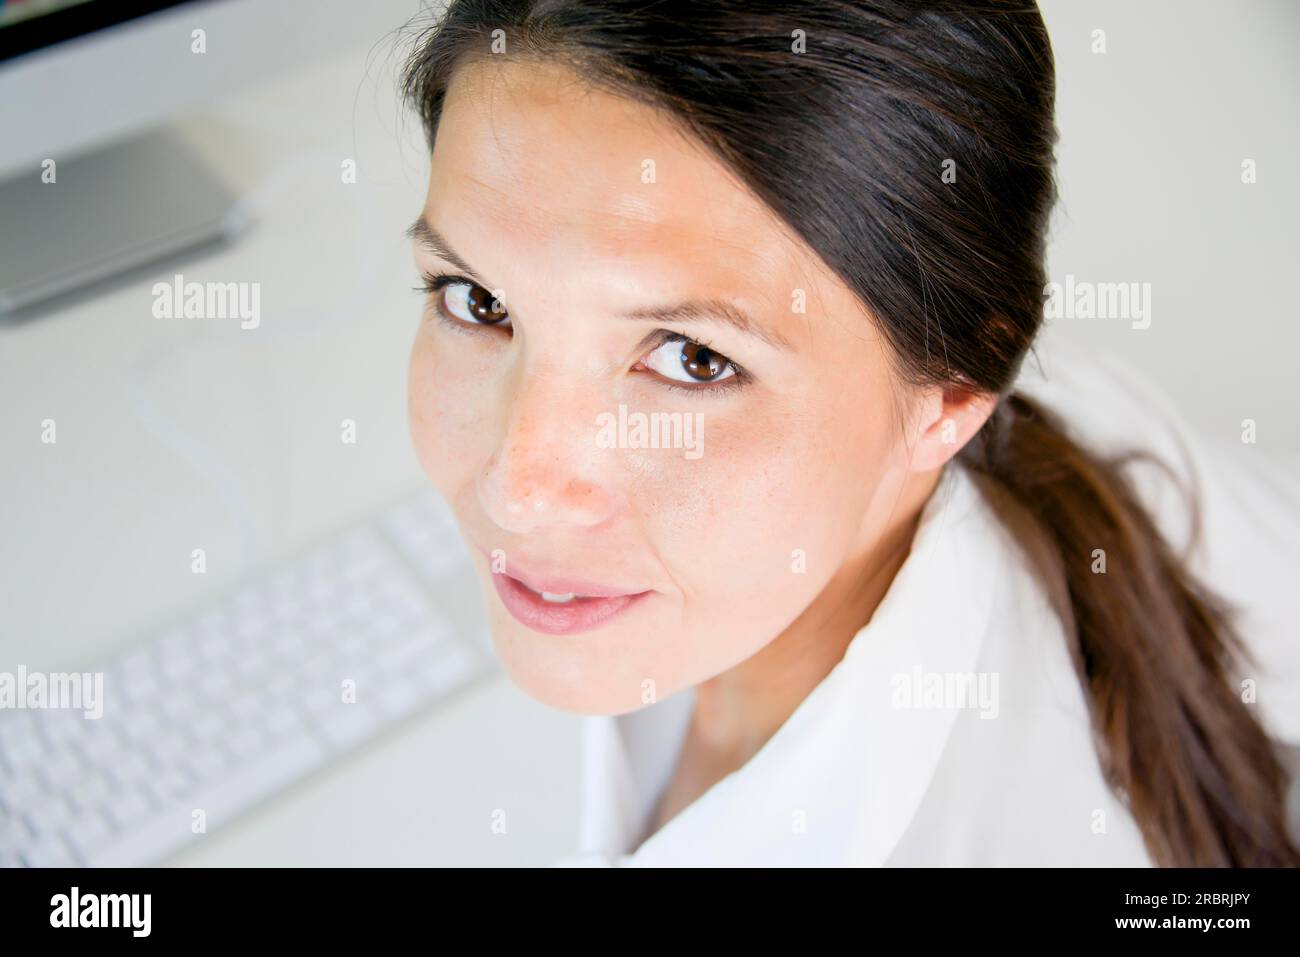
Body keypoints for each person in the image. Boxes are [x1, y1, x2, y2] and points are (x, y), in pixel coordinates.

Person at [399, 0, 1299, 865]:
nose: (516, 487)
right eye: (476, 301)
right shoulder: (1092, 420)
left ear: (949, 399)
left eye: (693, 359)